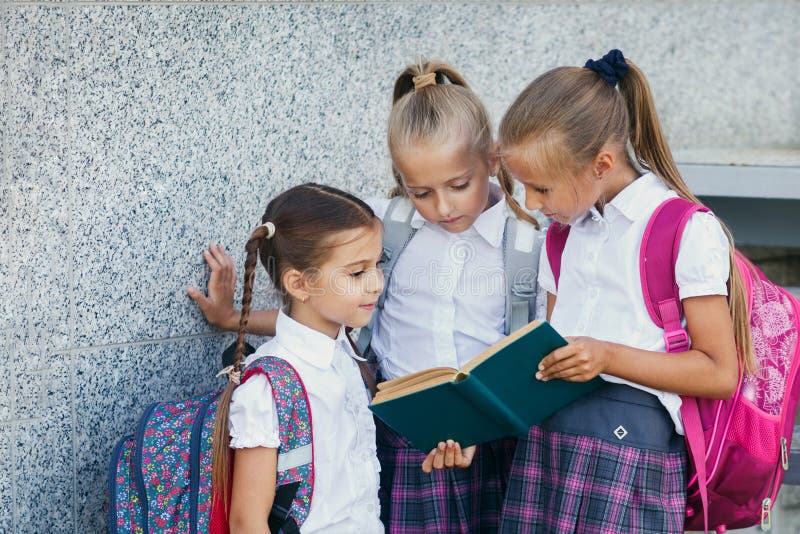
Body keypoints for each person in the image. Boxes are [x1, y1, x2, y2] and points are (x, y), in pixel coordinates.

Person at [190, 60, 545, 533]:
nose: (443, 206)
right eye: (421, 191)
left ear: (493, 160)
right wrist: (234, 316)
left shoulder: (527, 242)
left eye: (460, 185)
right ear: (400, 180)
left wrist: (487, 426)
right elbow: (318, 308)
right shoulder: (385, 229)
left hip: (491, 445)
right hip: (401, 440)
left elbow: (534, 353)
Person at [496, 49, 747, 533]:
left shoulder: (682, 230)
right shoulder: (562, 236)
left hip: (630, 459)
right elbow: (550, 355)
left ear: (601, 164)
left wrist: (607, 357)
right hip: (548, 449)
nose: (531, 202)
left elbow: (719, 372)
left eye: (542, 188)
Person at [211, 183, 385, 532]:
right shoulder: (268, 389)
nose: (376, 283)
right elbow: (247, 523)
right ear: (300, 284)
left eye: (377, 264)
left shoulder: (345, 354)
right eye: (357, 272)